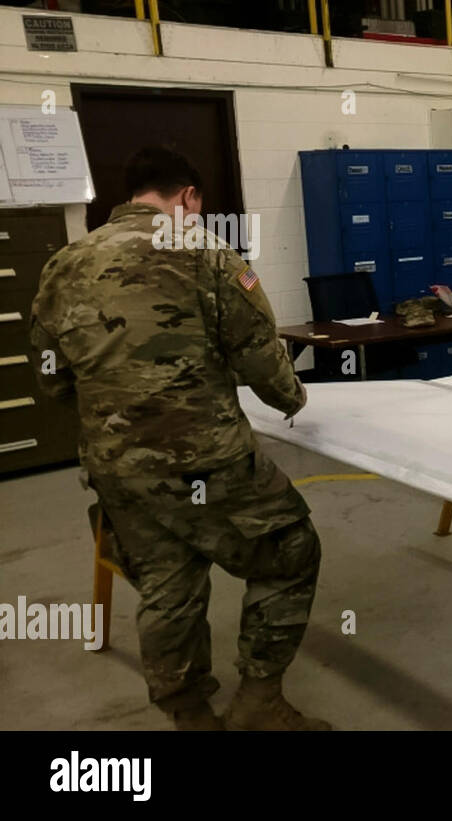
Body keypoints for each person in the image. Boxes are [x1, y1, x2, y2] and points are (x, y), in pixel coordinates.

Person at [30, 147, 330, 731]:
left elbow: (49, 376)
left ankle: (191, 716)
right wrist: (292, 399)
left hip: (116, 465)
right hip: (206, 460)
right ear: (187, 197)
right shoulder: (206, 251)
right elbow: (259, 357)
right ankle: (260, 699)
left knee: (168, 582)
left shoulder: (63, 264)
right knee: (290, 551)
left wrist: (112, 416)